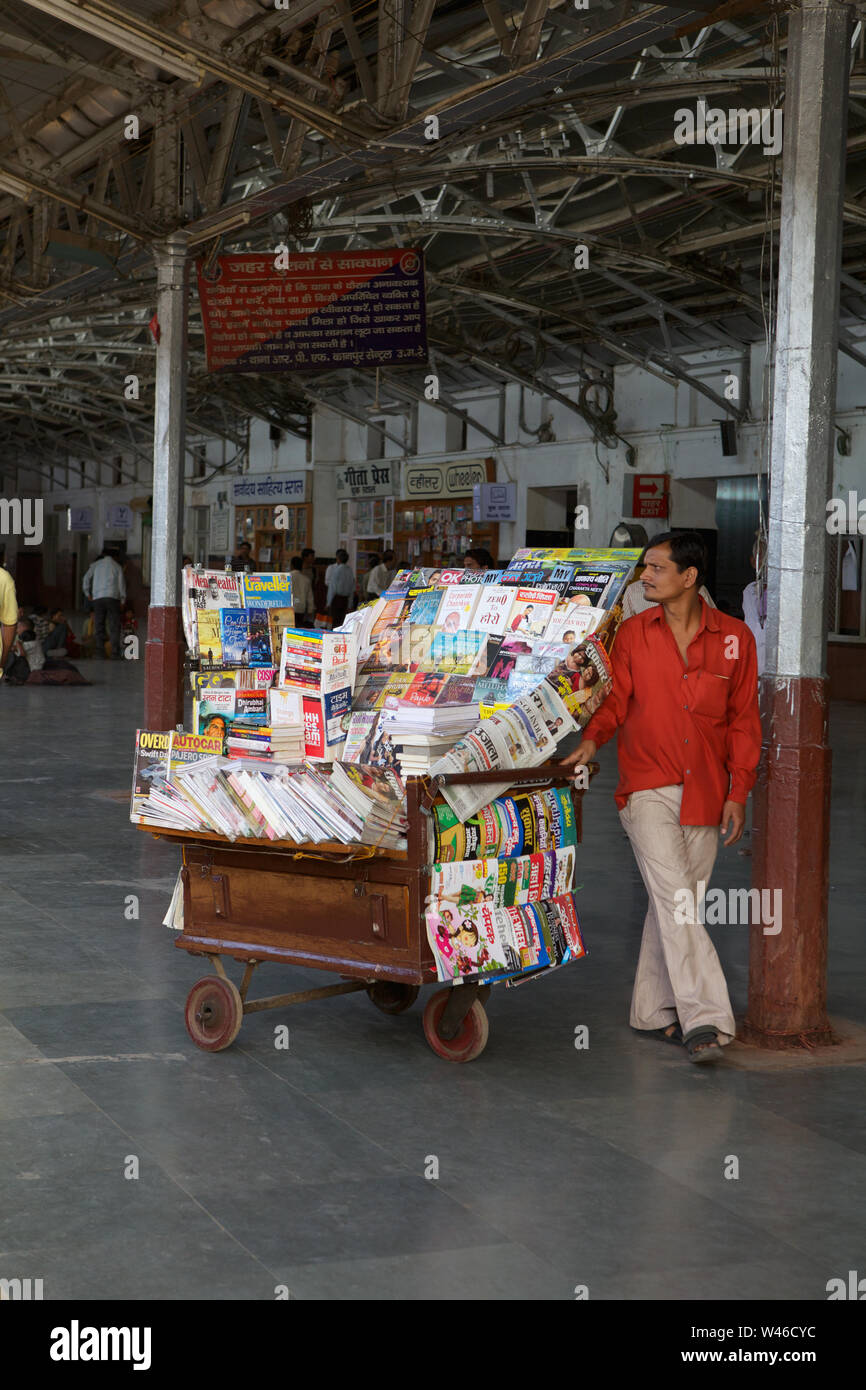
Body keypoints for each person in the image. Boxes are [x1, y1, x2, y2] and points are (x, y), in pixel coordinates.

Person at [561, 529, 760, 1065]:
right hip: (645, 788)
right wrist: (590, 740)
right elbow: (616, 701)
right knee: (678, 902)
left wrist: (739, 791)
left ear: (689, 578)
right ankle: (707, 1018)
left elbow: (744, 721)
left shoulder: (735, 639)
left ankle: (652, 1010)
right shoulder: (633, 634)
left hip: (707, 792)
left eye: (655, 568)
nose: (644, 576)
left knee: (676, 907)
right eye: (643, 567)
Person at [621, 545, 716, 620]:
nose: (643, 575)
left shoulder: (696, 589)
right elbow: (622, 631)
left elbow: (714, 623)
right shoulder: (633, 590)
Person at [82, 549, 125, 659]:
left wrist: (87, 593)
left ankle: (99, 652)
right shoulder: (117, 566)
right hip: (112, 598)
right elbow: (121, 585)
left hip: (98, 598)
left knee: (99, 624)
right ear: (115, 556)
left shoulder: (96, 564)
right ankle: (115, 653)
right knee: (114, 625)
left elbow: (86, 578)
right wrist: (123, 600)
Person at [741, 533, 767, 676]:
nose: (766, 563)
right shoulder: (749, 591)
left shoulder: (786, 593)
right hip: (753, 670)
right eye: (762, 558)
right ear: (753, 561)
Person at [325, 549, 355, 628]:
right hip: (345, 600)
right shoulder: (350, 571)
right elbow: (352, 589)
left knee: (334, 621)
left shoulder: (337, 570)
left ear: (338, 559)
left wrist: (328, 603)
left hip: (336, 599)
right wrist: (350, 605)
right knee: (342, 622)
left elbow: (332, 588)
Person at [0, 554, 18, 680]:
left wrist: (2, 660)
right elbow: (9, 624)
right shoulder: (3, 578)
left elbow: (9, 624)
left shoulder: (3, 579)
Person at [289, 555, 315, 628]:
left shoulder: (286, 578)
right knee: (299, 629)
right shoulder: (306, 579)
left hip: (288, 608)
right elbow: (310, 598)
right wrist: (310, 610)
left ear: (291, 565)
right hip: (301, 608)